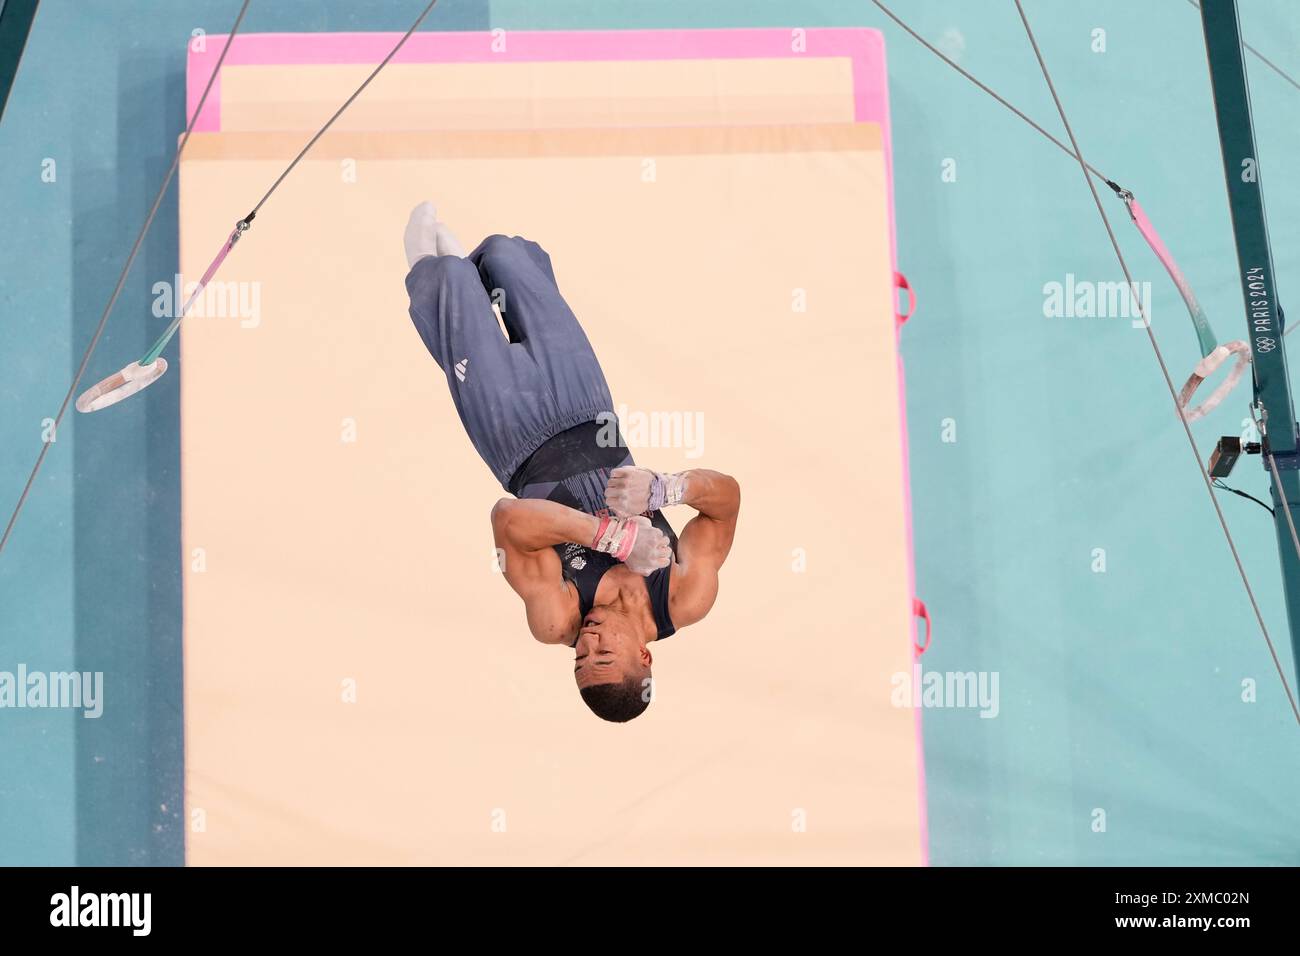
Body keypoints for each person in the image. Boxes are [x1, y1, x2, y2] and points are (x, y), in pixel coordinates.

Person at [403, 202, 740, 722]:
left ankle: (443, 279)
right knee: (506, 255)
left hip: (514, 435)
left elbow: (507, 519)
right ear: (644, 656)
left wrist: (611, 538)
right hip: (589, 407)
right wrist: (667, 490)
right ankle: (474, 275)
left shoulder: (556, 618)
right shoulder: (684, 594)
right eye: (603, 654)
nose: (588, 643)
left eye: (581, 659)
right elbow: (727, 502)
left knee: (448, 278)